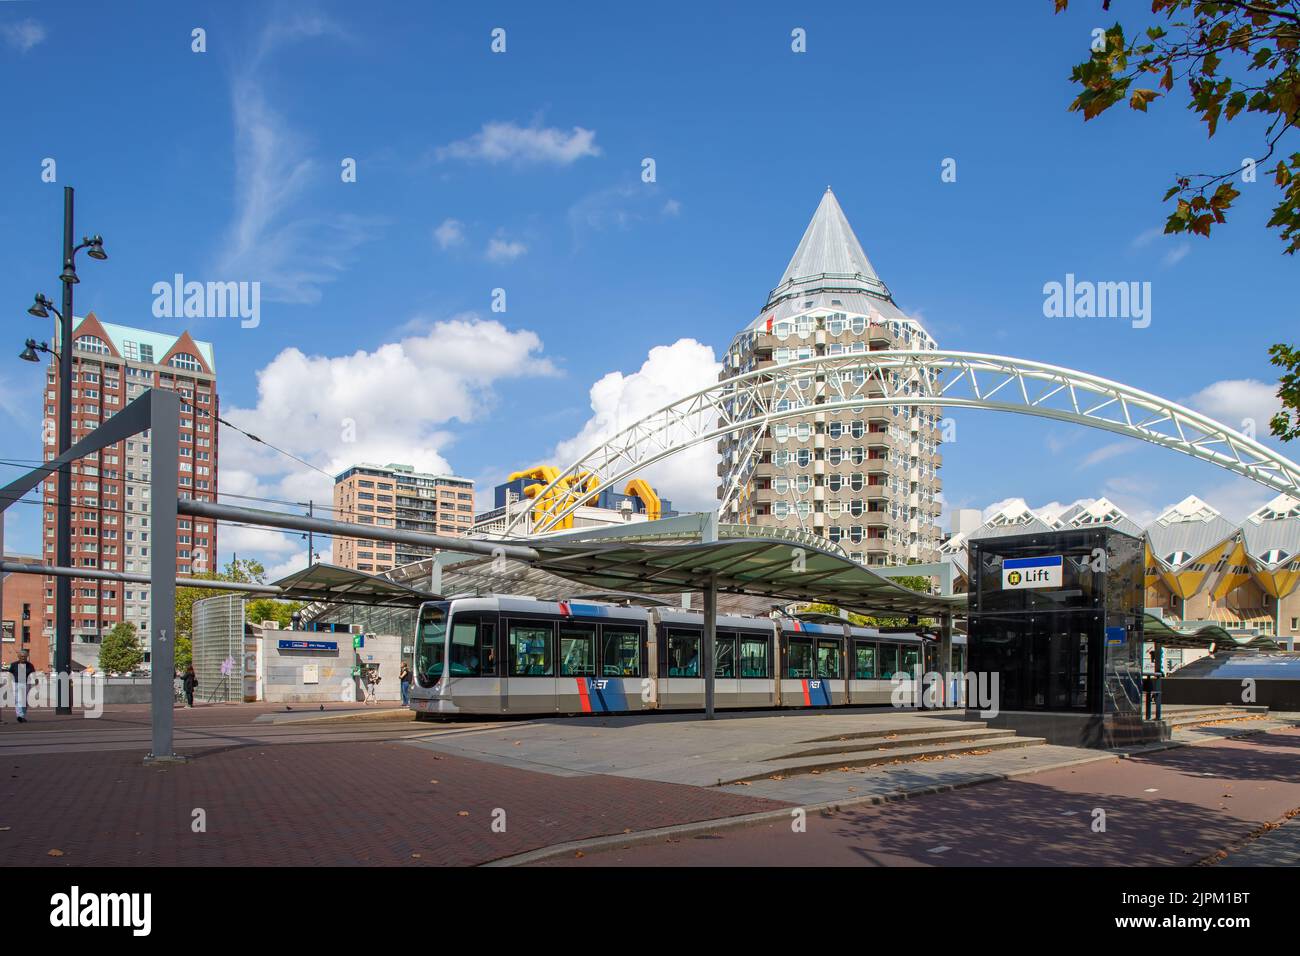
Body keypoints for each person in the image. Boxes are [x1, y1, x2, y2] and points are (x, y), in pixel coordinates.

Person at [7, 650, 39, 723]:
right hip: (16, 684)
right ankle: (19, 715)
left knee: (24, 701)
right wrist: (9, 684)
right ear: (18, 657)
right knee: (18, 700)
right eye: (22, 656)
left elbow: (34, 674)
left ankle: (22, 716)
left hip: (27, 684)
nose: (23, 658)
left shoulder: (30, 665)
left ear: (27, 657)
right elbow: (9, 675)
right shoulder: (14, 664)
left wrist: (36, 681)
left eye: (25, 657)